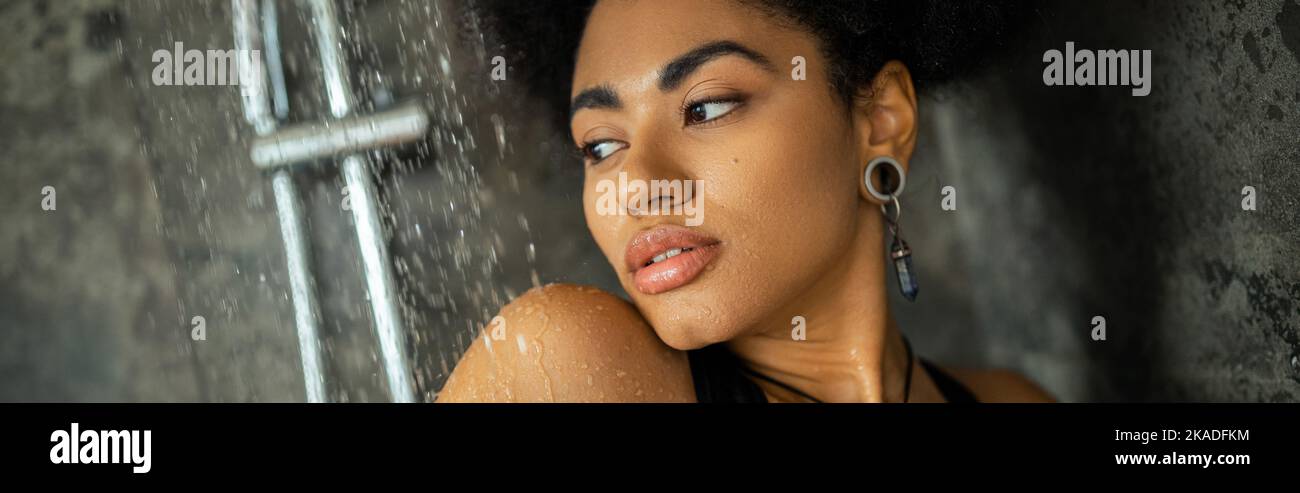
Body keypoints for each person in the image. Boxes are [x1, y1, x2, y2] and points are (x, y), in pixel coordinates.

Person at [439, 0, 1054, 402]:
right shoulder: (574, 362)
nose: (637, 185)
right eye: (601, 147)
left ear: (881, 119)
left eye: (705, 107)